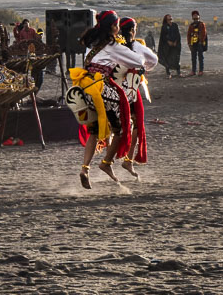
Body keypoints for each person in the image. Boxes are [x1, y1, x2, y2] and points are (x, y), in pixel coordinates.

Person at [68, 10, 147, 189]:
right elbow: (138, 62)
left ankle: (85, 169)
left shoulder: (93, 44)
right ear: (113, 27)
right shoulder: (114, 47)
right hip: (101, 89)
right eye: (117, 25)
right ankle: (107, 163)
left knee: (95, 130)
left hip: (84, 88)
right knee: (122, 127)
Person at [116, 17, 158, 178]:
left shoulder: (113, 46)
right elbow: (153, 60)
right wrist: (142, 68)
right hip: (131, 91)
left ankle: (110, 159)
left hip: (113, 89)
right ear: (133, 31)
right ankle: (128, 159)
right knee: (136, 124)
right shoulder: (137, 47)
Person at [187, 11, 208, 76]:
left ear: (199, 16)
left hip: (200, 43)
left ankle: (201, 71)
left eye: (196, 15)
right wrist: (189, 44)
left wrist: (201, 41)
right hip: (193, 43)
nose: (195, 16)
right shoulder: (191, 25)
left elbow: (204, 33)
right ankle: (193, 71)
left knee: (200, 57)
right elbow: (189, 35)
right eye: (194, 15)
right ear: (192, 17)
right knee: (193, 58)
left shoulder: (201, 24)